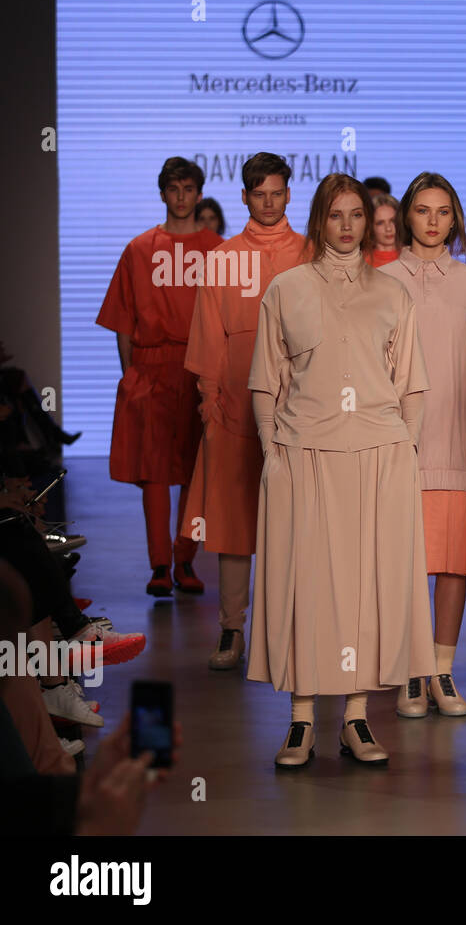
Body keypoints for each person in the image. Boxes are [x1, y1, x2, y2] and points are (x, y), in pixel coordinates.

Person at [247, 173, 434, 768]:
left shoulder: (392, 294)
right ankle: (301, 720)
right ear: (319, 221)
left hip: (378, 456)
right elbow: (263, 381)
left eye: (357, 215)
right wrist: (273, 453)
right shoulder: (286, 289)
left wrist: (405, 450)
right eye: (337, 216)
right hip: (305, 454)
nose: (349, 226)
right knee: (308, 584)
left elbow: (412, 384)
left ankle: (355, 718)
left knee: (366, 589)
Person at [380, 173, 466, 717]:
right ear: (407, 216)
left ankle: (442, 671)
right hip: (399, 439)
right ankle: (410, 668)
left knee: (452, 560)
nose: (432, 221)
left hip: (457, 434)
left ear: (455, 219)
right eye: (423, 210)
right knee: (403, 559)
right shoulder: (382, 279)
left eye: (443, 211)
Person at [184, 152, 306, 671]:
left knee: (300, 519)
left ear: (289, 194)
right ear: (244, 197)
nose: (270, 202)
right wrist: (209, 399)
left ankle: (298, 628)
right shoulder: (223, 257)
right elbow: (209, 328)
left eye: (278, 193)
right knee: (233, 522)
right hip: (234, 397)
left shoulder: (309, 251)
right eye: (260, 194)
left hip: (301, 400)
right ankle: (232, 629)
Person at [96, 157, 223, 596]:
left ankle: (184, 559)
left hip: (198, 366)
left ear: (199, 193)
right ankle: (158, 566)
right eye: (174, 188)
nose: (182, 196)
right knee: (152, 472)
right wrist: (130, 376)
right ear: (163, 193)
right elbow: (125, 320)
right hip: (150, 368)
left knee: (194, 470)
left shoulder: (218, 249)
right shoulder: (138, 249)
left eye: (189, 188)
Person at [369, 192, 402, 267]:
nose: (388, 228)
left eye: (392, 221)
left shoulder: (414, 256)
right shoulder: (361, 263)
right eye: (380, 223)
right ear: (371, 227)